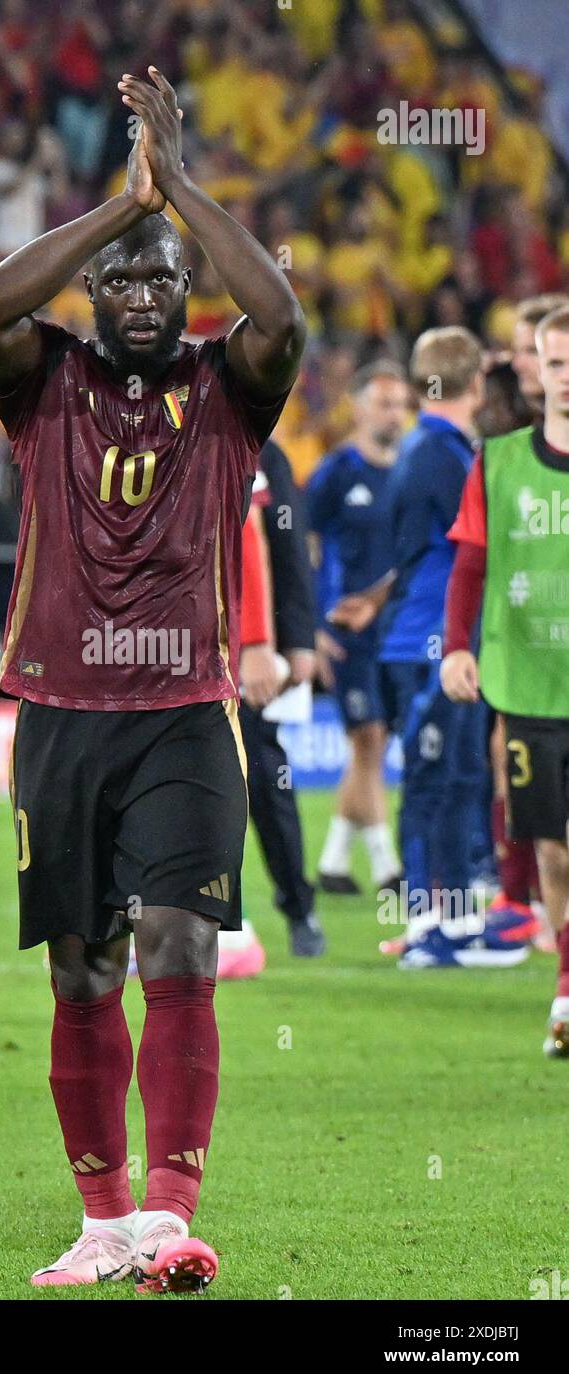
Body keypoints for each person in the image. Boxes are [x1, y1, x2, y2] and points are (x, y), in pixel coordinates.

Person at [0, 65, 305, 1291]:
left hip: (181, 716)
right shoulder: (42, 377)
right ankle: (100, 1218)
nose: (147, 294)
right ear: (96, 293)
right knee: (81, 964)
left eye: (165, 276)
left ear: (185, 291)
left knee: (179, 945)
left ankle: (168, 1210)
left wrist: (179, 192)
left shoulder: (227, 389)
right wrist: (120, 208)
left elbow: (284, 317)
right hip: (59, 714)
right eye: (123, 279)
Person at [330, 329, 488, 956]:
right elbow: (471, 550)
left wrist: (374, 598)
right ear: (475, 385)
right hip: (433, 640)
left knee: (450, 774)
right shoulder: (444, 456)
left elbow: (419, 548)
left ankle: (451, 919)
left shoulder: (422, 449)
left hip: (422, 636)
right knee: (437, 777)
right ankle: (430, 921)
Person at [441, 305, 569, 1054]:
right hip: (526, 683)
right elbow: (470, 562)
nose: (566, 379)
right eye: (556, 365)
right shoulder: (498, 461)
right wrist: (457, 646)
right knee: (551, 846)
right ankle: (564, 989)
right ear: (538, 372)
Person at [306, 361, 408, 896]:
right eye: (385, 402)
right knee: (367, 737)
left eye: (401, 403)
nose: (395, 413)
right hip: (344, 631)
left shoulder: (409, 470)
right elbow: (305, 543)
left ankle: (334, 860)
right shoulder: (336, 471)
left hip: (395, 630)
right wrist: (313, 623)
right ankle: (388, 864)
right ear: (360, 406)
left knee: (372, 742)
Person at [238, 440, 325, 961]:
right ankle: (213, 916)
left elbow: (285, 546)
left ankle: (298, 906)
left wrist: (297, 640)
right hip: (168, 649)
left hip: (244, 649)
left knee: (265, 778)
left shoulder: (262, 452)